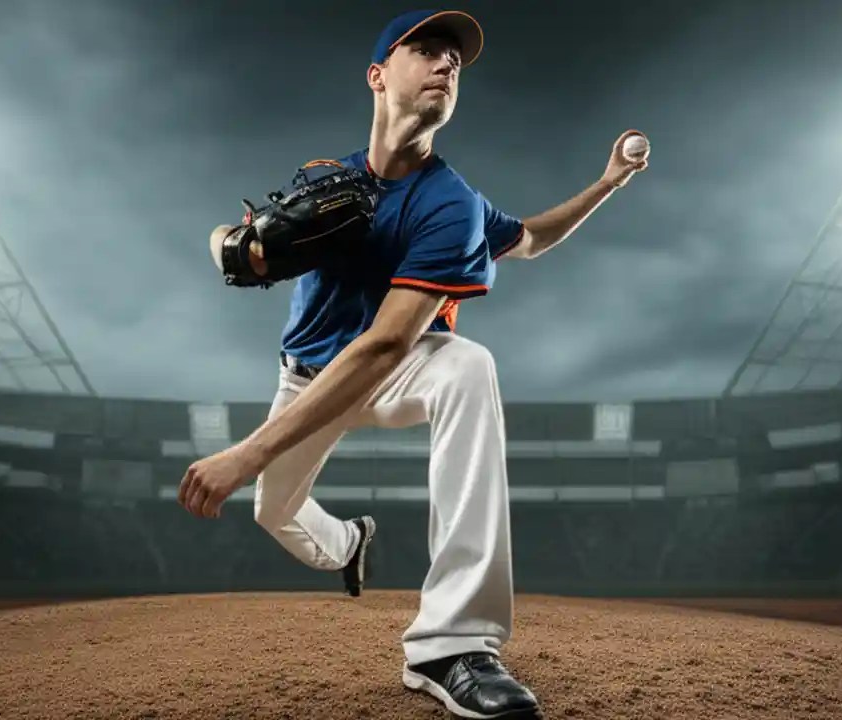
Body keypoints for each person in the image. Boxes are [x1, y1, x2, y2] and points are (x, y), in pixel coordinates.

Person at [179, 9, 648, 719]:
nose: (445, 64)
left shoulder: (451, 206)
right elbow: (230, 236)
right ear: (378, 76)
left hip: (394, 366)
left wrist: (608, 184)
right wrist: (230, 246)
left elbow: (386, 344)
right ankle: (348, 544)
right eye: (426, 49)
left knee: (468, 365)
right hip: (309, 379)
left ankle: (452, 645)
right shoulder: (324, 178)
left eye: (454, 61)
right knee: (273, 511)